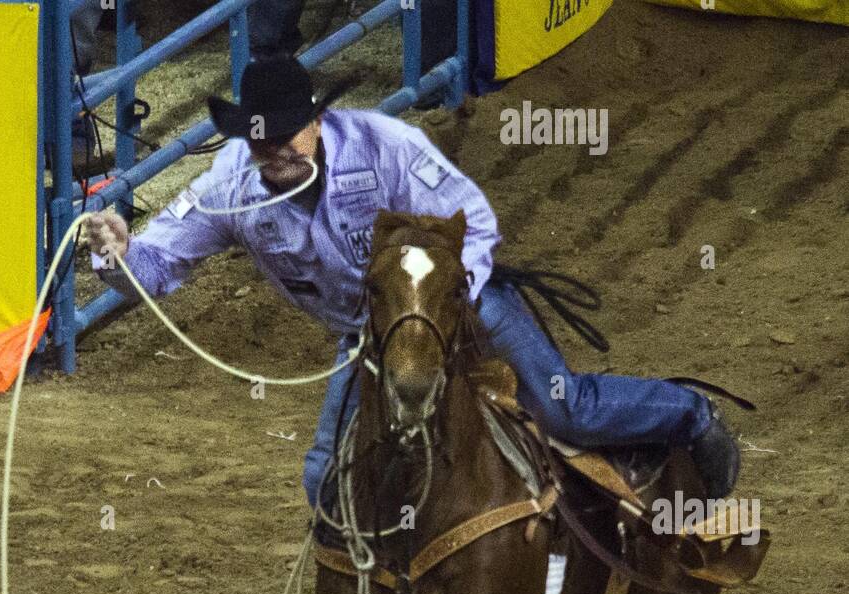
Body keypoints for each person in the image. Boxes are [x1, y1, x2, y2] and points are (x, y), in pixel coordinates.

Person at [85, 57, 741, 507]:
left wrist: (451, 299)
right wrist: (116, 255)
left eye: (289, 136)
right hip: (367, 334)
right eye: (263, 144)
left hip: (462, 300)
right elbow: (155, 272)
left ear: (316, 123)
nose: (277, 153)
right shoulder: (227, 187)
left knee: (563, 407)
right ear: (244, 144)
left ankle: (688, 415)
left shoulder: (385, 145)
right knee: (326, 480)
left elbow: (474, 221)